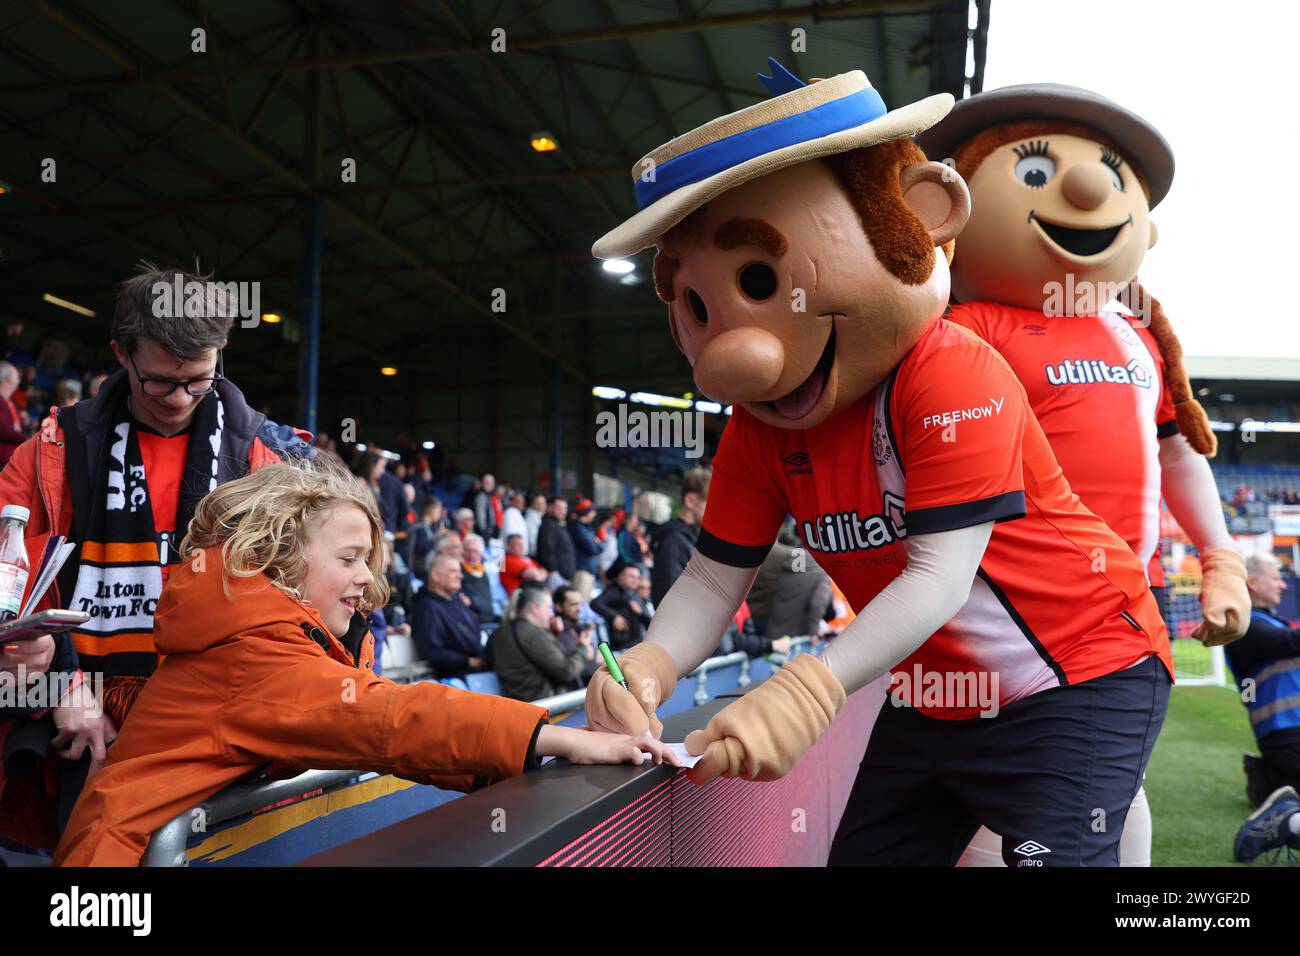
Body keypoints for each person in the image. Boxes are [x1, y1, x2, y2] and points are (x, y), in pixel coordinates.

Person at [586, 61, 1171, 867]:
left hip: (1080, 670)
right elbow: (715, 579)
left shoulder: (947, 366)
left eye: (760, 281)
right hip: (935, 698)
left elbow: (940, 577)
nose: (730, 357)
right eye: (696, 307)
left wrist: (808, 689)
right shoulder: (758, 428)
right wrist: (649, 663)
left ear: (911, 218)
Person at [916, 84, 1250, 868]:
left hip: (1118, 625)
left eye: (1110, 169)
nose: (1089, 187)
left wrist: (1222, 557)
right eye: (1034, 169)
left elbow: (1176, 454)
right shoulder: (963, 328)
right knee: (992, 811)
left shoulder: (1136, 337)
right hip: (999, 624)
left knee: (1111, 790)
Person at [51, 459, 677, 865]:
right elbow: (391, 718)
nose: (366, 581)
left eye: (368, 564)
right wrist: (556, 740)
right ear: (280, 561)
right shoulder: (254, 651)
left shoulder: (256, 630)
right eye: (348, 560)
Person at [0, 261, 312, 854]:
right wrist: (61, 689)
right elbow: (6, 596)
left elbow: (302, 603)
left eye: (200, 381)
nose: (181, 398)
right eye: (160, 382)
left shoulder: (267, 457)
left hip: (218, 738)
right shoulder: (50, 451)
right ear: (121, 354)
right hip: (81, 736)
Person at [1229, 555, 1300, 813]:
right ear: (1254, 584)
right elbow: (1291, 642)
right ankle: (1270, 779)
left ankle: (1269, 779)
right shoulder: (1246, 625)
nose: (1282, 585)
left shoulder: (1267, 621)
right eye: (1276, 578)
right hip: (1285, 736)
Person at [493, 586, 590, 702]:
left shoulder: (499, 632)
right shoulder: (536, 635)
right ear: (535, 608)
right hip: (547, 706)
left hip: (517, 703)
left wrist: (552, 634)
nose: (551, 614)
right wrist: (582, 647)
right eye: (549, 608)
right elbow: (567, 672)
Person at [410, 555, 487, 679]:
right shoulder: (427, 608)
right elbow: (431, 653)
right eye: (453, 571)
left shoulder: (458, 601)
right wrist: (469, 661)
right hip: (454, 677)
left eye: (460, 572)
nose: (460, 576)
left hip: (477, 671)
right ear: (435, 576)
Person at [650, 467, 710, 605]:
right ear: (690, 500)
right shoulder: (674, 539)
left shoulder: (687, 537)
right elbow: (669, 597)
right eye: (710, 502)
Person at [591, 558, 653, 651]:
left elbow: (650, 622)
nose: (635, 580)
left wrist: (640, 613)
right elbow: (595, 603)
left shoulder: (636, 594)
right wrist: (614, 616)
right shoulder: (614, 590)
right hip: (622, 646)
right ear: (621, 576)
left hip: (639, 642)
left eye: (637, 577)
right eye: (631, 576)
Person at [553, 585, 600, 689]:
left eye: (580, 604)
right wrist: (596, 658)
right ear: (559, 607)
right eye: (573, 604)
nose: (579, 609)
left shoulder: (578, 627)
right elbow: (576, 668)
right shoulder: (557, 631)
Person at [459, 534, 498, 625]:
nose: (471, 555)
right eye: (468, 550)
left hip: (488, 617)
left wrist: (472, 601)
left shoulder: (483, 572)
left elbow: (488, 603)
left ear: (481, 554)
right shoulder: (459, 571)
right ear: (462, 551)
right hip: (471, 621)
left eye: (475, 551)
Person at [537, 495, 576, 584]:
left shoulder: (557, 524)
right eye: (559, 508)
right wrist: (554, 571)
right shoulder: (548, 525)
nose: (563, 511)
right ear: (549, 508)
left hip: (563, 576)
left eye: (565, 508)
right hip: (557, 577)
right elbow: (547, 551)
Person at [568, 497, 602, 577]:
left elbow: (600, 547)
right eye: (593, 511)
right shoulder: (577, 527)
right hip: (582, 570)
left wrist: (597, 545)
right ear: (587, 512)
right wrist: (596, 544)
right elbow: (592, 549)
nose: (595, 514)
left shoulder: (587, 527)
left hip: (590, 569)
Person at [0, 361, 25, 467]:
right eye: (16, 377)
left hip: (9, 462)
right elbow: (2, 428)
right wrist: (25, 438)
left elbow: (16, 426)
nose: (18, 380)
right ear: (8, 379)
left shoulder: (10, 403)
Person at [473, 472, 500, 540]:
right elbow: (480, 515)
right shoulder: (481, 496)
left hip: (488, 532)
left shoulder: (489, 496)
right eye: (488, 483)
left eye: (492, 483)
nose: (491, 485)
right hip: (483, 533)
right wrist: (485, 531)